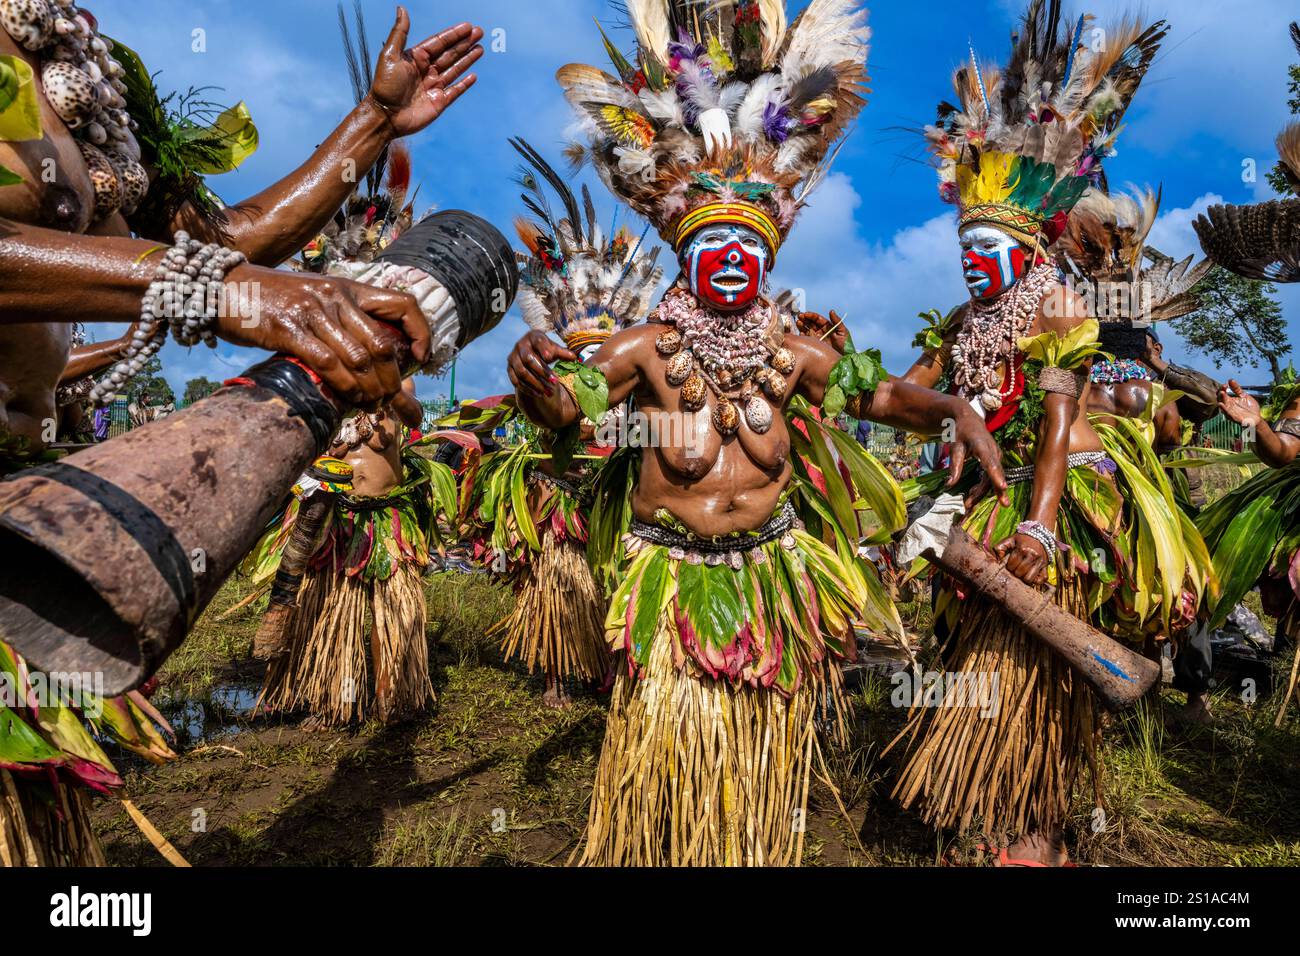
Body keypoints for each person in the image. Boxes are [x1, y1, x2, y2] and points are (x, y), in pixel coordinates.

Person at [510, 0, 1005, 866]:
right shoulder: (641, 349)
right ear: (685, 252)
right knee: (668, 756)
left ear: (769, 255)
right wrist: (533, 386)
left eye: (750, 242)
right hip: (671, 573)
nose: (736, 256)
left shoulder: (795, 350)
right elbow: (568, 412)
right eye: (718, 242)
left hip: (771, 572)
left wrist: (956, 409)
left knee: (753, 763)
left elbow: (881, 397)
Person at [0, 2, 481, 866]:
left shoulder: (84, 74)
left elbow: (217, 242)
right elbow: (215, 271)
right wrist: (234, 294)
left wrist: (369, 124)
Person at [892, 4, 1175, 866]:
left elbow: (1053, 424)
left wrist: (1039, 526)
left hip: (1054, 494)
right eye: (965, 246)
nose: (975, 260)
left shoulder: (1056, 303)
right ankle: (981, 807)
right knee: (968, 647)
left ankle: (1036, 823)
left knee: (1030, 663)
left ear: (1025, 247)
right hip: (985, 495)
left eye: (991, 248)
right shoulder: (966, 320)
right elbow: (911, 396)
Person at [472, 139, 663, 708]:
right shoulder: (555, 377)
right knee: (556, 586)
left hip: (610, 496)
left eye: (600, 355)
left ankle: (606, 667)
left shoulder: (626, 377)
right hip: (559, 493)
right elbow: (554, 417)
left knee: (607, 583)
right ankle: (556, 674)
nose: (591, 367)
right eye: (583, 357)